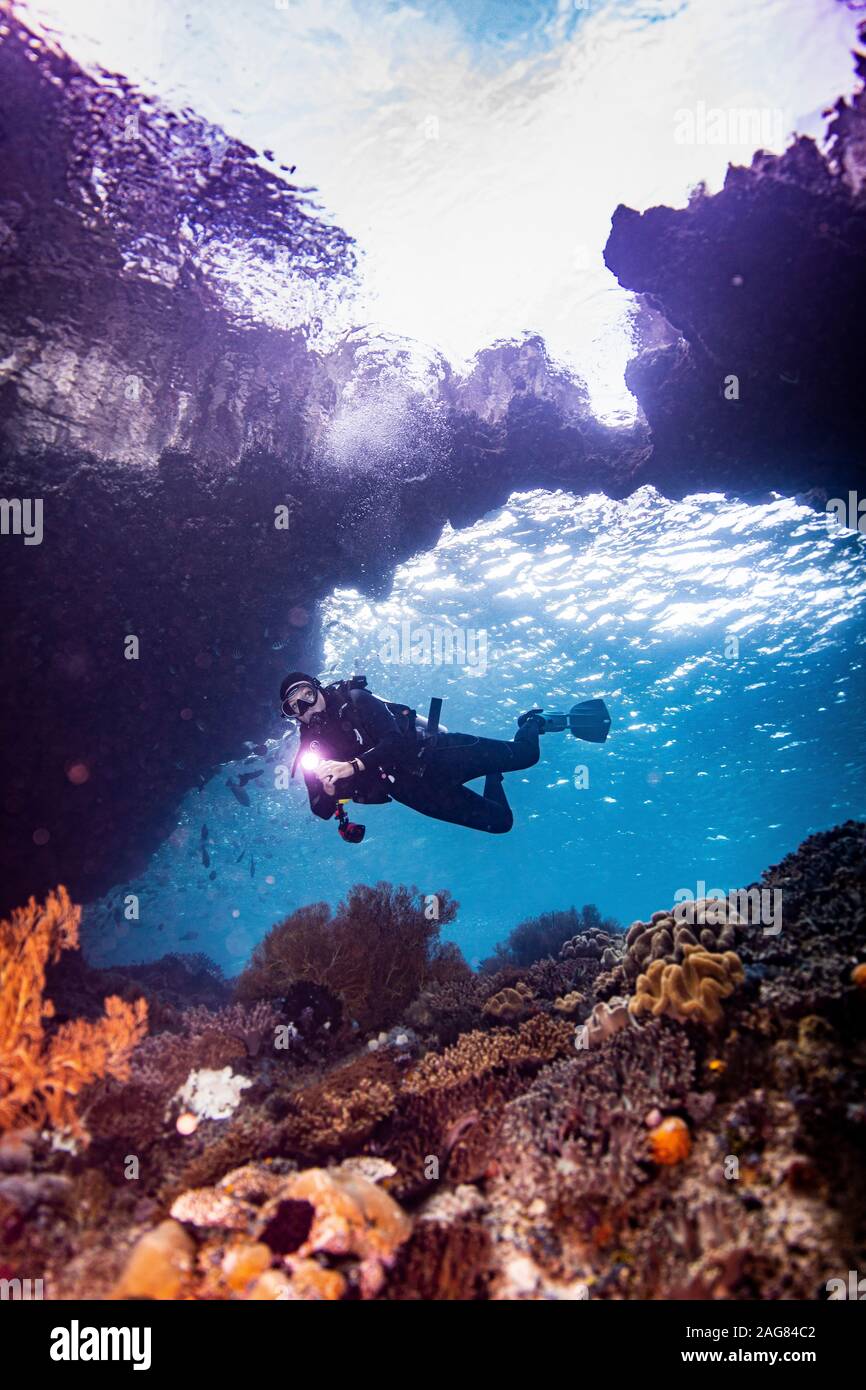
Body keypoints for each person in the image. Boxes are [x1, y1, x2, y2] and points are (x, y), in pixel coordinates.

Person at [279, 671, 567, 835]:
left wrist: (352, 766)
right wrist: (329, 791)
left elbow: (393, 741)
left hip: (435, 755)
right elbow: (320, 810)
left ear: (318, 689)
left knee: (526, 755)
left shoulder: (355, 700)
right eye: (295, 706)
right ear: (292, 715)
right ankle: (493, 775)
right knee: (500, 823)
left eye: (307, 694)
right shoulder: (311, 754)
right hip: (412, 792)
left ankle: (532, 721)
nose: (306, 707)